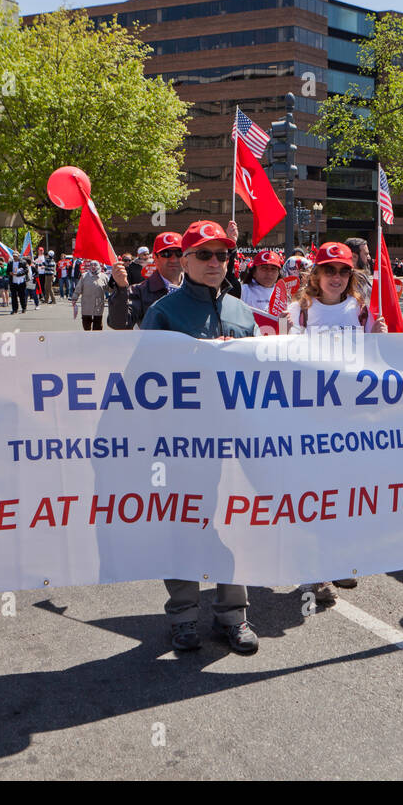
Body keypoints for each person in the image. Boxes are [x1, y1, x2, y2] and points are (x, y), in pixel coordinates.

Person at [141, 220, 259, 654]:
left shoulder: (242, 313)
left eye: (222, 255)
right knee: (185, 525)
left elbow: (260, 380)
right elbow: (143, 384)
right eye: (204, 255)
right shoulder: (164, 313)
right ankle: (184, 617)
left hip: (235, 443)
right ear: (184, 260)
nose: (215, 263)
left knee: (236, 524)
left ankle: (233, 616)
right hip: (183, 447)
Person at [283, 241, 386, 603]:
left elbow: (376, 360)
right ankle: (312, 569)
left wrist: (380, 340)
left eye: (344, 271)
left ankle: (340, 559)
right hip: (312, 418)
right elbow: (285, 360)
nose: (337, 277)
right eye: (330, 270)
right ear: (316, 274)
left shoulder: (362, 311)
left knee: (346, 491)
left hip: (352, 417)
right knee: (313, 492)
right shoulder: (300, 311)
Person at [107, 232, 184, 329]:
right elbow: (119, 324)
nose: (174, 259)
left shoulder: (196, 287)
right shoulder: (139, 291)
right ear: (155, 258)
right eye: (166, 254)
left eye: (179, 253)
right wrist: (121, 289)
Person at [239, 248, 283, 313]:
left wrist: (285, 321)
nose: (269, 273)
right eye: (264, 268)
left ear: (278, 273)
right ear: (254, 272)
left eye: (273, 269)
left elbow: (283, 323)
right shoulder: (243, 291)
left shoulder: (283, 294)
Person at [72, 260, 112, 330]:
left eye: (95, 265)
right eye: (91, 265)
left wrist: (115, 283)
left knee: (98, 326)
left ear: (99, 266)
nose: (93, 267)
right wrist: (74, 298)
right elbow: (78, 289)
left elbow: (110, 289)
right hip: (86, 304)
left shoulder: (103, 277)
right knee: (86, 325)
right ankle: (87, 339)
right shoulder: (84, 276)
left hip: (98, 304)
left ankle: (96, 340)